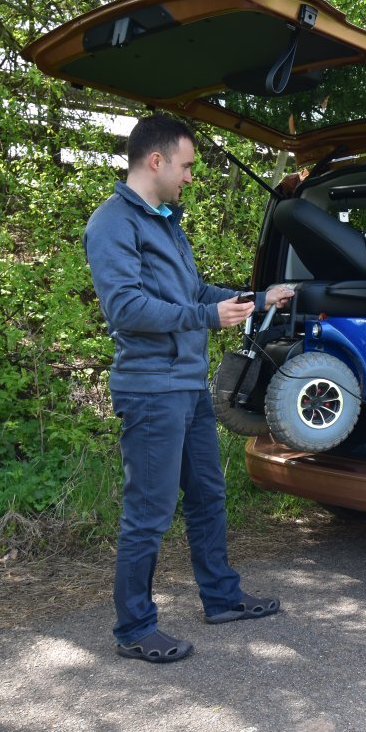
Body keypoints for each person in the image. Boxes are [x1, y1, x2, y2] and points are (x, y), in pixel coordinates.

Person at [84, 113, 294, 664]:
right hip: (150, 389)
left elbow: (195, 289)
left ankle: (222, 598)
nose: (190, 177)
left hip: (187, 385)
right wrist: (206, 315)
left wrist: (255, 298)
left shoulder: (165, 221)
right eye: (187, 165)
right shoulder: (112, 224)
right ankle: (134, 627)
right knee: (148, 513)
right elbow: (125, 308)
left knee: (207, 495)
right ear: (156, 161)